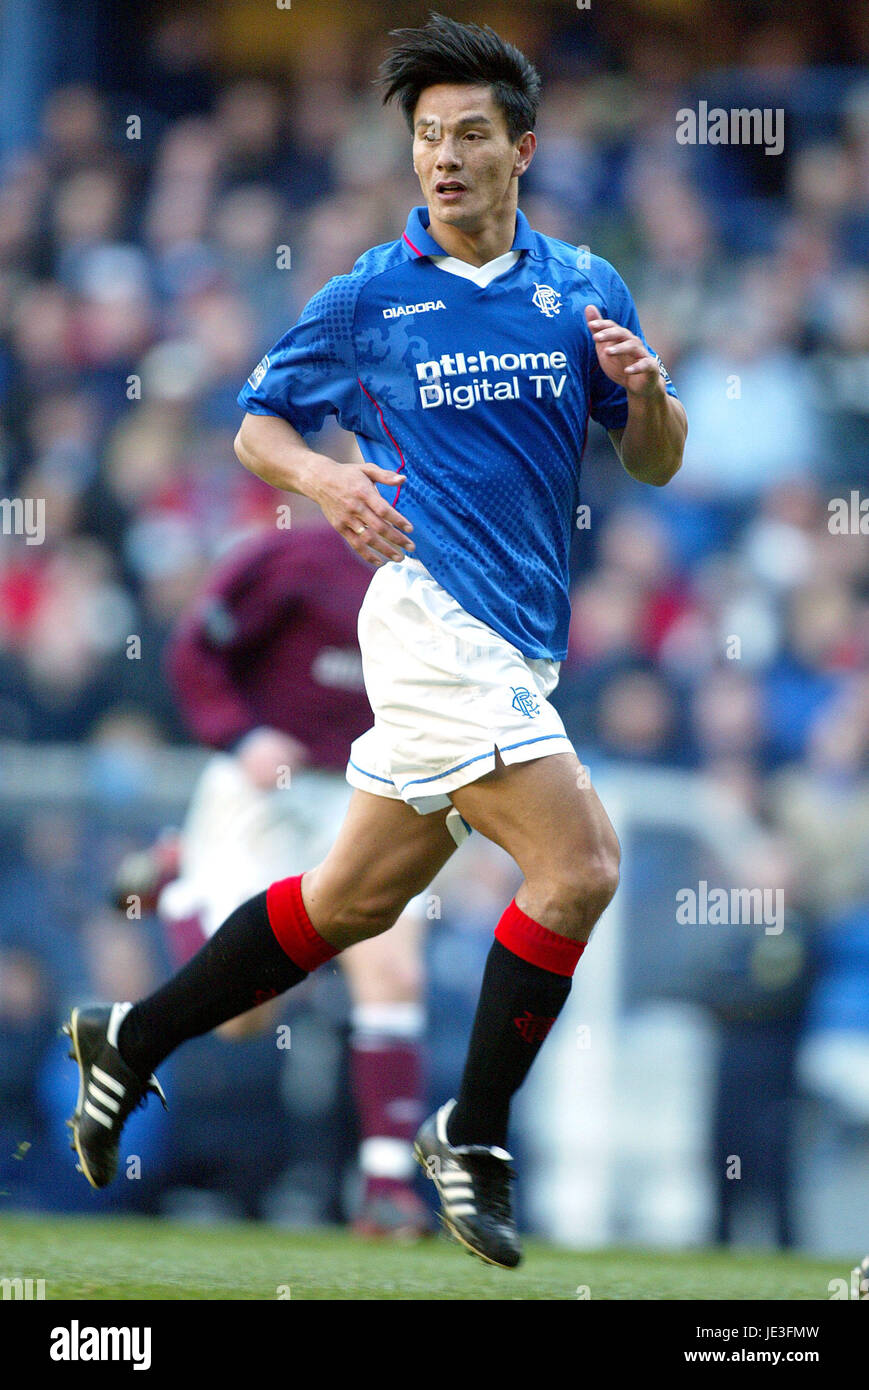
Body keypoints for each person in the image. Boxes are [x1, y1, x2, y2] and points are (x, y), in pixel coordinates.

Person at [66, 13, 686, 1270]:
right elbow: (255, 425)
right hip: (426, 617)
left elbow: (656, 463)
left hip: (517, 643)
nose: (443, 158)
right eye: (424, 138)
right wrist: (326, 482)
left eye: (468, 136)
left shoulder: (582, 287)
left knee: (351, 901)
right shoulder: (369, 295)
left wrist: (654, 391)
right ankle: (473, 1133)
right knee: (579, 865)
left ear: (522, 147)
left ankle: (129, 1037)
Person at [111, 508, 431, 1237]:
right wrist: (243, 733)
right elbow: (194, 650)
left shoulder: (458, 565)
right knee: (244, 1019)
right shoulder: (292, 557)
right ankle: (183, 875)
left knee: (394, 971)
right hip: (268, 790)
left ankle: (386, 1189)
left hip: (369, 792)